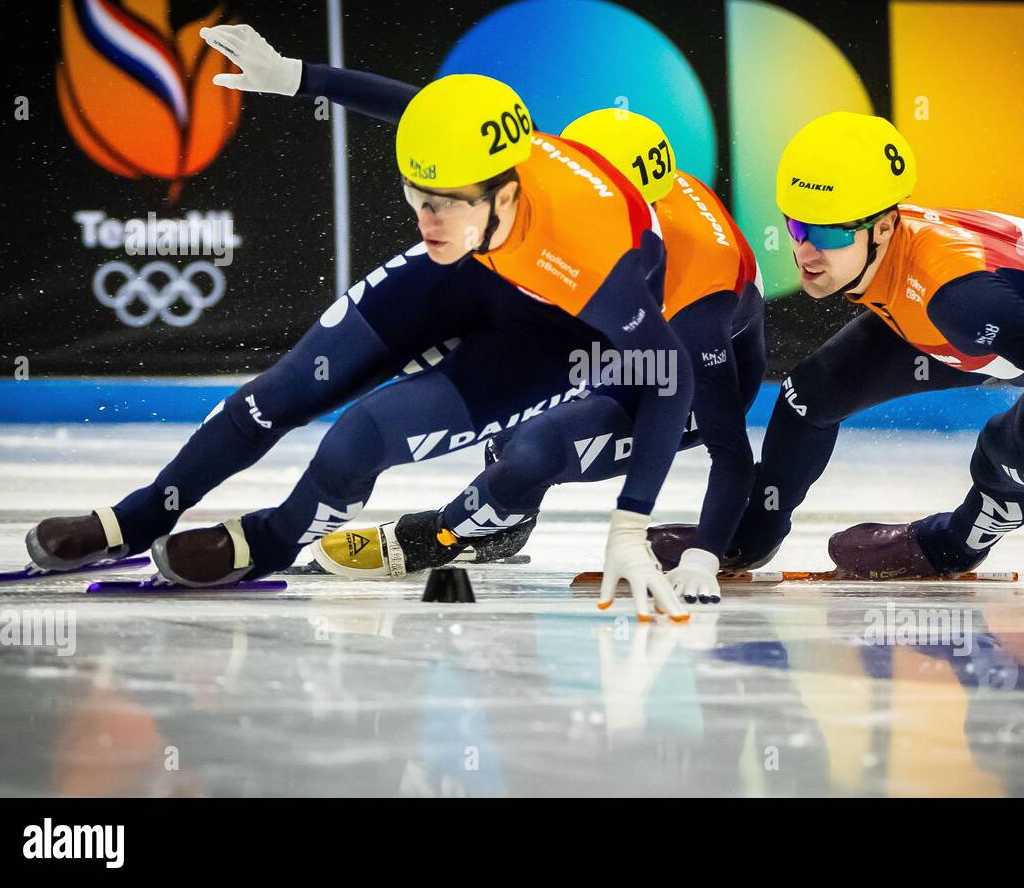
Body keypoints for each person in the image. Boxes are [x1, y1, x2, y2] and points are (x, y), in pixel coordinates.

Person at [25, 24, 692, 621]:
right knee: (276, 394)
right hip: (474, 267)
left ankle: (271, 538)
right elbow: (415, 108)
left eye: (445, 205)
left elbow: (671, 376)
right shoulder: (466, 185)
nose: (425, 221)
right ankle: (140, 515)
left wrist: (629, 525)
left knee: (356, 439)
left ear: (507, 193)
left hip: (552, 334)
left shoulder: (600, 259)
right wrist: (294, 77)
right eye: (416, 198)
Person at [656, 111, 1024, 624]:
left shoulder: (956, 299)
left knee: (1006, 458)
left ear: (884, 228)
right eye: (796, 226)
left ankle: (950, 547)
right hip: (997, 309)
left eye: (834, 234)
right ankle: (750, 537)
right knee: (809, 393)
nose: (807, 251)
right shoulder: (895, 262)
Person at [312, 108, 764, 606]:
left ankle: (443, 534)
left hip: (680, 379)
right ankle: (507, 512)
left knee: (534, 448)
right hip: (626, 337)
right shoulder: (619, 206)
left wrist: (705, 556)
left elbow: (732, 455)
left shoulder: (697, 303)